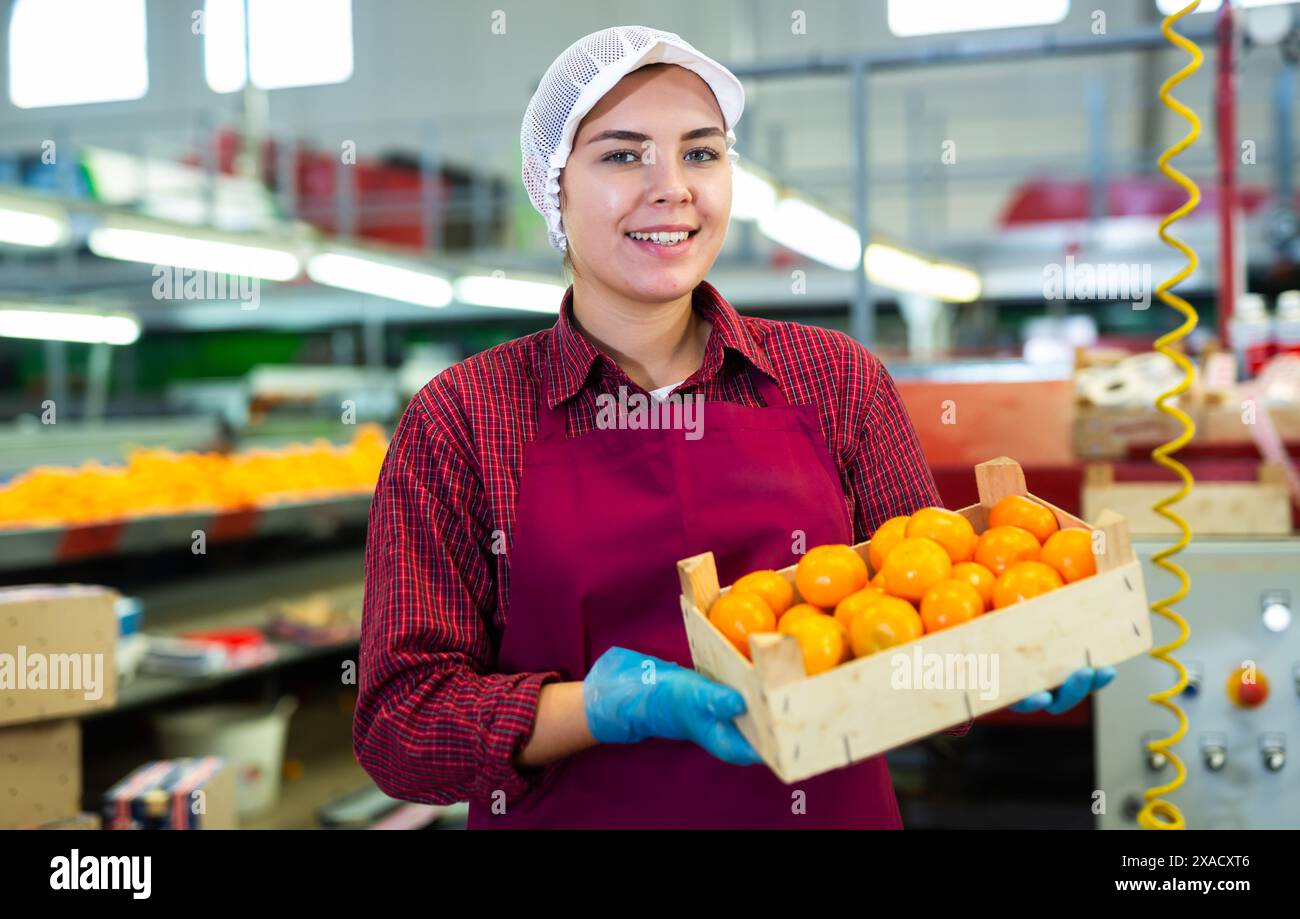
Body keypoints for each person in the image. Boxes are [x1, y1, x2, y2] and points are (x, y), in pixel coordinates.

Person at [354, 24, 1114, 830]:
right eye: (621, 155)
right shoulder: (464, 419)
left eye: (702, 152)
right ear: (553, 188)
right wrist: (604, 710)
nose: (672, 186)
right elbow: (401, 724)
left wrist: (1000, 654)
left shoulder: (836, 380)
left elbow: (926, 629)